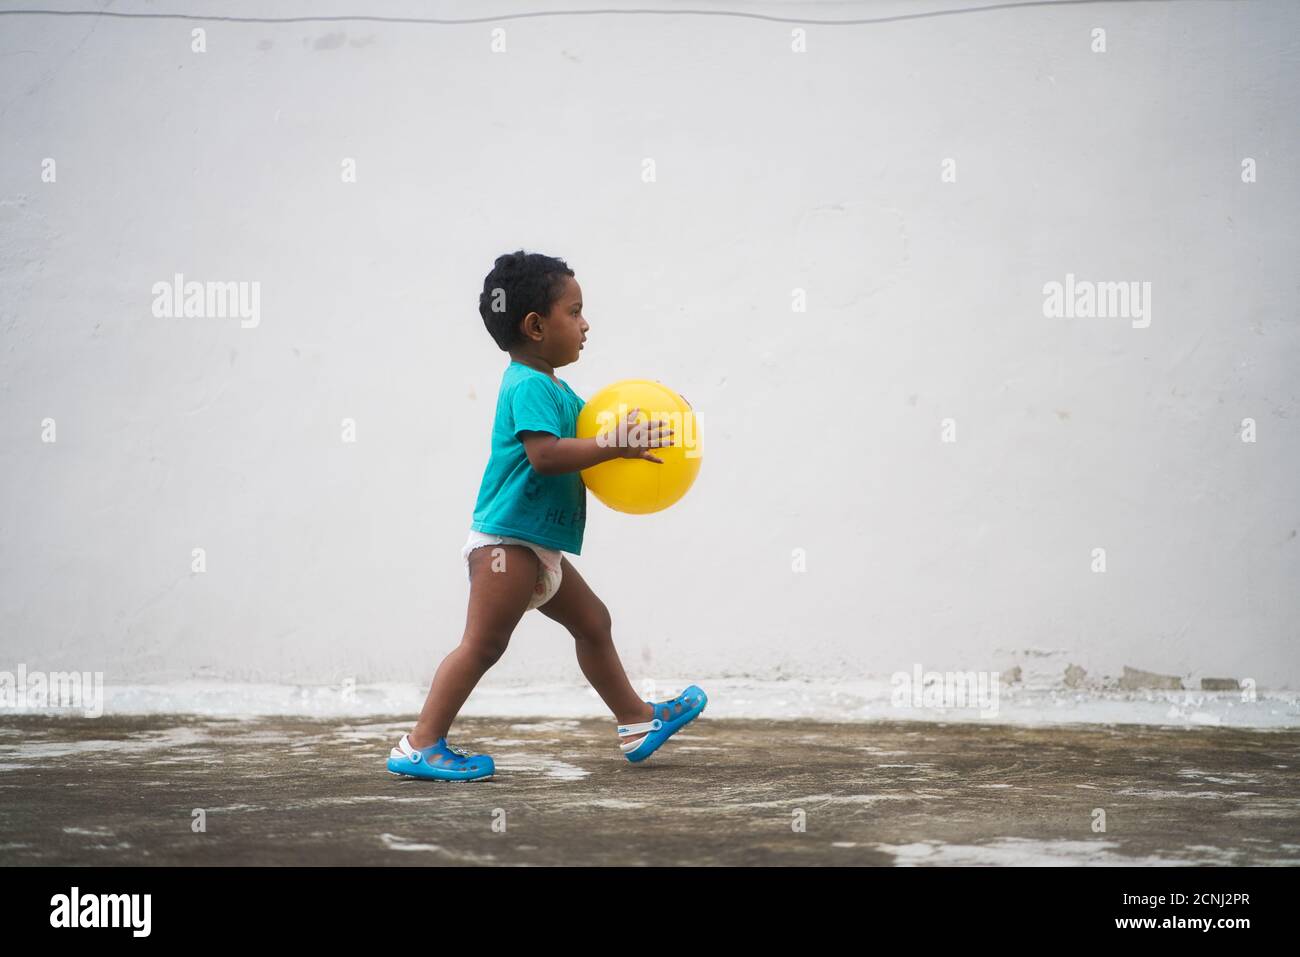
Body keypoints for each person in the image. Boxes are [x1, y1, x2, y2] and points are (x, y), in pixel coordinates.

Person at [387, 250, 707, 781]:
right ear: (536, 325)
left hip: (537, 546)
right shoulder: (528, 384)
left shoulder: (556, 388)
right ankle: (419, 744)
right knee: (483, 645)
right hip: (506, 546)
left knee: (593, 622)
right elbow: (547, 455)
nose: (585, 325)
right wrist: (612, 446)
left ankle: (634, 721)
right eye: (575, 312)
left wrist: (655, 419)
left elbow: (589, 439)